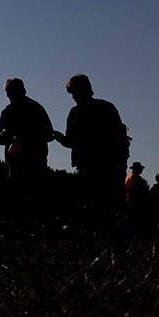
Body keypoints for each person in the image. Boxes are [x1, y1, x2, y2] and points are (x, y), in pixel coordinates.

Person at [52, 74, 130, 234]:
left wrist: (121, 164)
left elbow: (120, 138)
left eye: (75, 92)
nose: (73, 97)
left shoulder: (82, 112)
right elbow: (71, 141)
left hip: (100, 164)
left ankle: (100, 237)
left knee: (98, 204)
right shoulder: (102, 108)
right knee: (97, 204)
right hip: (95, 164)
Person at [0, 78, 54, 233]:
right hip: (18, 163)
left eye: (13, 92)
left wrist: (24, 136)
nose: (11, 96)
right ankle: (27, 231)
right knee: (21, 199)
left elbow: (48, 133)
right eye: (10, 93)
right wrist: (3, 136)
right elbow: (1, 138)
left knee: (36, 197)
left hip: (33, 161)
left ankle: (43, 231)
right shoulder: (9, 111)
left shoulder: (34, 109)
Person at [125, 161, 151, 235]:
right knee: (136, 220)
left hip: (129, 201)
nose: (142, 170)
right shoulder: (136, 178)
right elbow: (138, 191)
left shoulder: (128, 177)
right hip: (136, 201)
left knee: (131, 219)